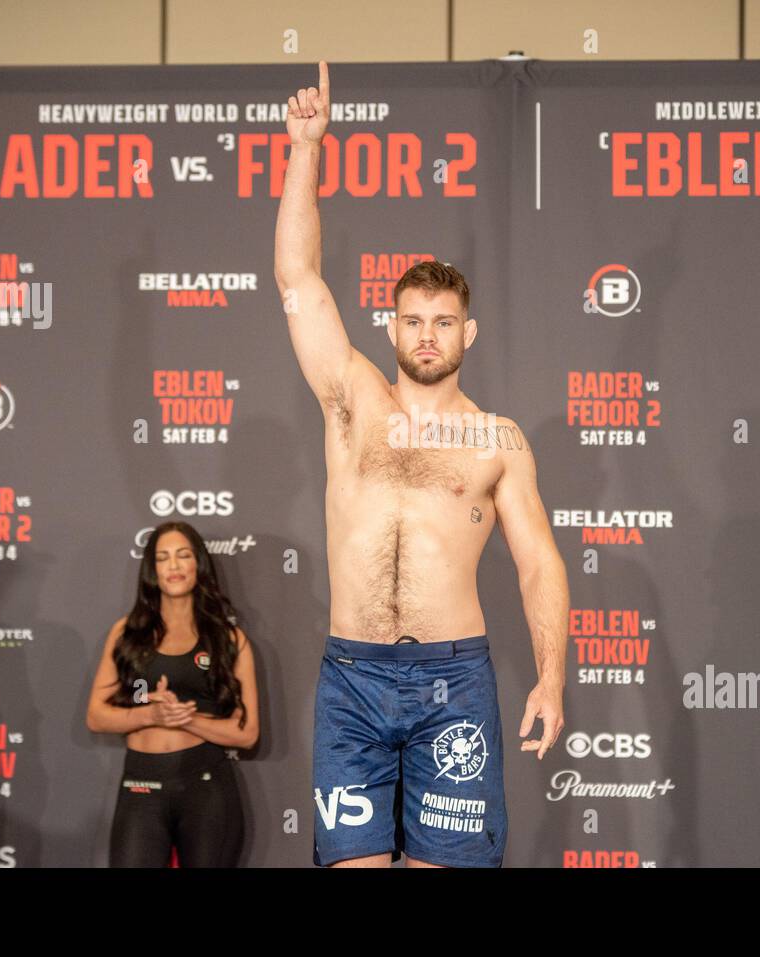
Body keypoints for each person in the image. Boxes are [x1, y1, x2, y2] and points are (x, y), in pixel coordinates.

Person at [275, 61, 569, 868]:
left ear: (468, 334)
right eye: (414, 320)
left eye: (446, 321)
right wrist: (306, 150)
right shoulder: (352, 400)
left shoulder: (499, 442)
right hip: (353, 678)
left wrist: (551, 678)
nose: (429, 334)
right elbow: (298, 278)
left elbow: (539, 562)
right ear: (394, 328)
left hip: (453, 683)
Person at [87, 521, 258, 867]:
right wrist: (151, 715)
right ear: (153, 569)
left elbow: (248, 733)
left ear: (199, 563)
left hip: (207, 788)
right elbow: (96, 716)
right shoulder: (127, 633)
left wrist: (186, 719)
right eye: (163, 558)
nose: (175, 566)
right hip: (141, 786)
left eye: (183, 555)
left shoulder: (228, 638)